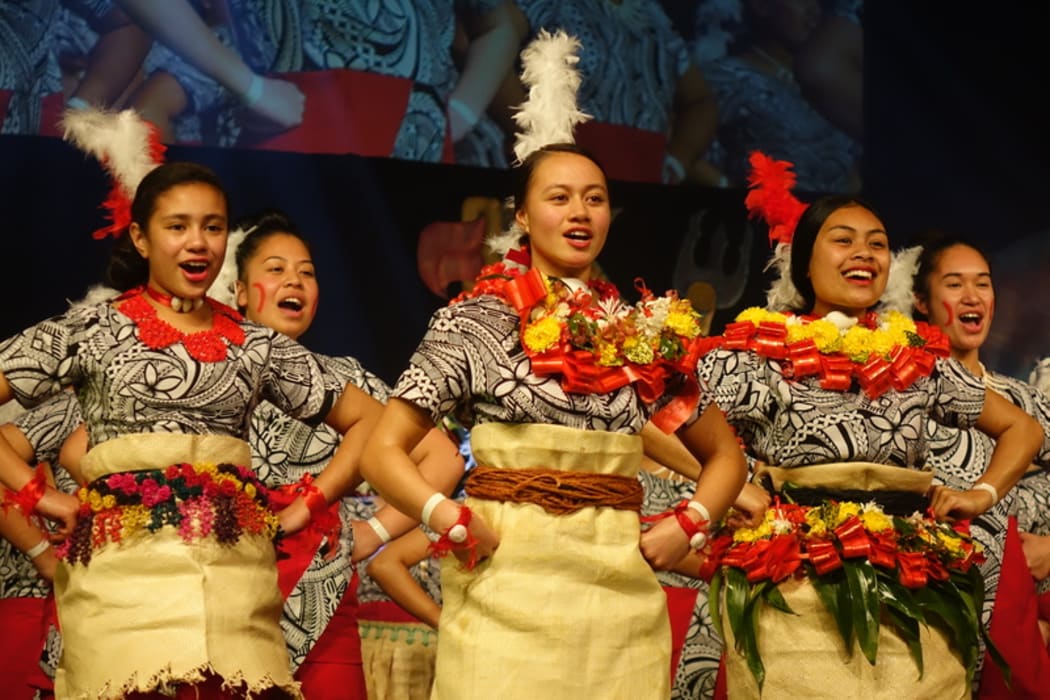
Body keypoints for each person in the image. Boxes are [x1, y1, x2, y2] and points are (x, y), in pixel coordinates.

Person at [360, 139, 750, 699]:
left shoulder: (644, 333)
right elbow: (382, 450)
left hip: (618, 606)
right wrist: (446, 515)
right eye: (559, 197)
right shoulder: (474, 321)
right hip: (504, 591)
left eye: (594, 198)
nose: (579, 212)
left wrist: (689, 523)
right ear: (521, 214)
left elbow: (726, 458)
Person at [0, 161, 384, 698]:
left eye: (213, 226)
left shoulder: (255, 345)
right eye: (177, 226)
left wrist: (311, 502)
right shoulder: (92, 330)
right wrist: (42, 497)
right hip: (121, 593)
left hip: (237, 596)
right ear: (140, 236)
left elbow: (372, 419)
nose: (198, 243)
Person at [695, 154, 1043, 698]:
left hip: (911, 589)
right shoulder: (760, 352)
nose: (864, 253)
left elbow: (1023, 429)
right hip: (790, 583)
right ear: (804, 263)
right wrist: (730, 489)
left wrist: (982, 493)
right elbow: (666, 418)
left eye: (877, 243)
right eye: (843, 240)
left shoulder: (916, 357)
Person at [912, 234, 1050, 695]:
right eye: (954, 284)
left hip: (1005, 630)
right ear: (922, 301)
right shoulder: (898, 394)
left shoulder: (1023, 401)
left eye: (983, 284)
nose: (972, 296)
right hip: (914, 612)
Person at [512, 0, 720, 185]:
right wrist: (543, 143)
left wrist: (678, 161)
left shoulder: (653, 14)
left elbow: (700, 101)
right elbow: (492, 64)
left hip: (642, 186)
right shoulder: (545, 4)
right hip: (558, 177)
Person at [694, 0, 861, 193]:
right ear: (761, 6)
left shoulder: (839, 84)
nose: (813, 8)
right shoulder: (725, 78)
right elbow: (686, 148)